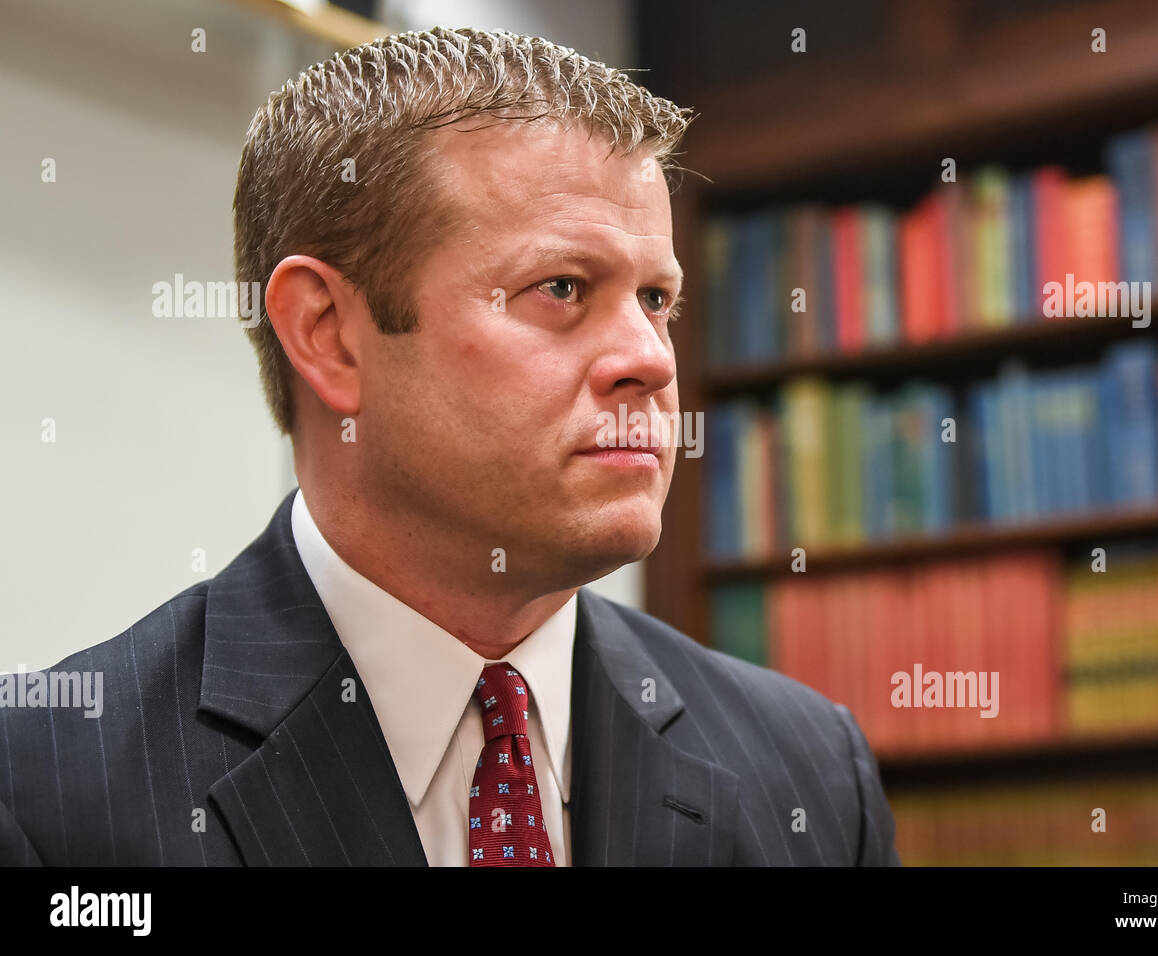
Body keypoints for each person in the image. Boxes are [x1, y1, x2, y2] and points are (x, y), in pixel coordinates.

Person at [0, 26, 899, 866]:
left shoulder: (813, 777)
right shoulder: (46, 793)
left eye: (656, 300)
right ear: (327, 334)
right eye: (561, 287)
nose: (649, 361)